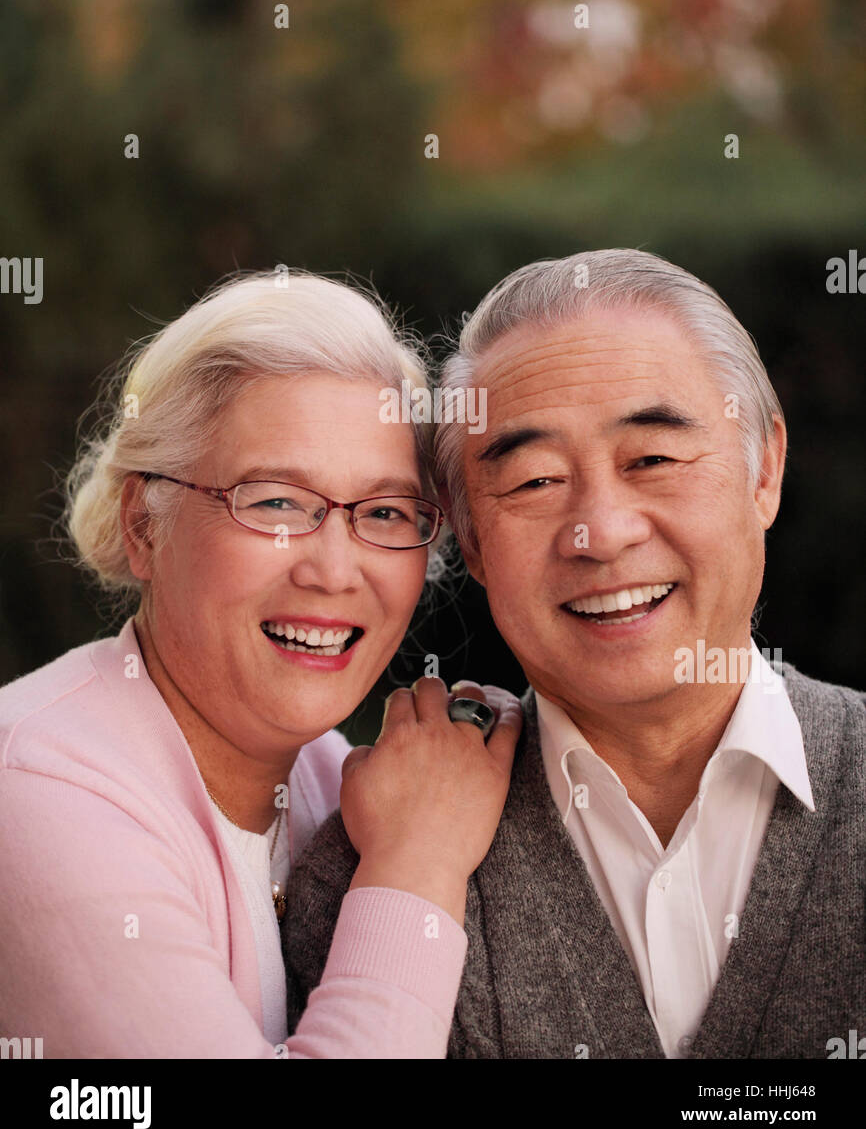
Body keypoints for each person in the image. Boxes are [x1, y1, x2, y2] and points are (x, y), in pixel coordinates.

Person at [283, 248, 866, 1059]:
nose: (600, 531)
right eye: (533, 482)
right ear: (474, 540)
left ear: (763, 469)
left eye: (653, 460)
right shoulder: (368, 879)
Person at [0, 269, 521, 1058]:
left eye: (384, 512)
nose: (335, 571)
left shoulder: (329, 776)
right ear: (145, 525)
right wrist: (420, 860)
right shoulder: (36, 790)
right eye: (276, 500)